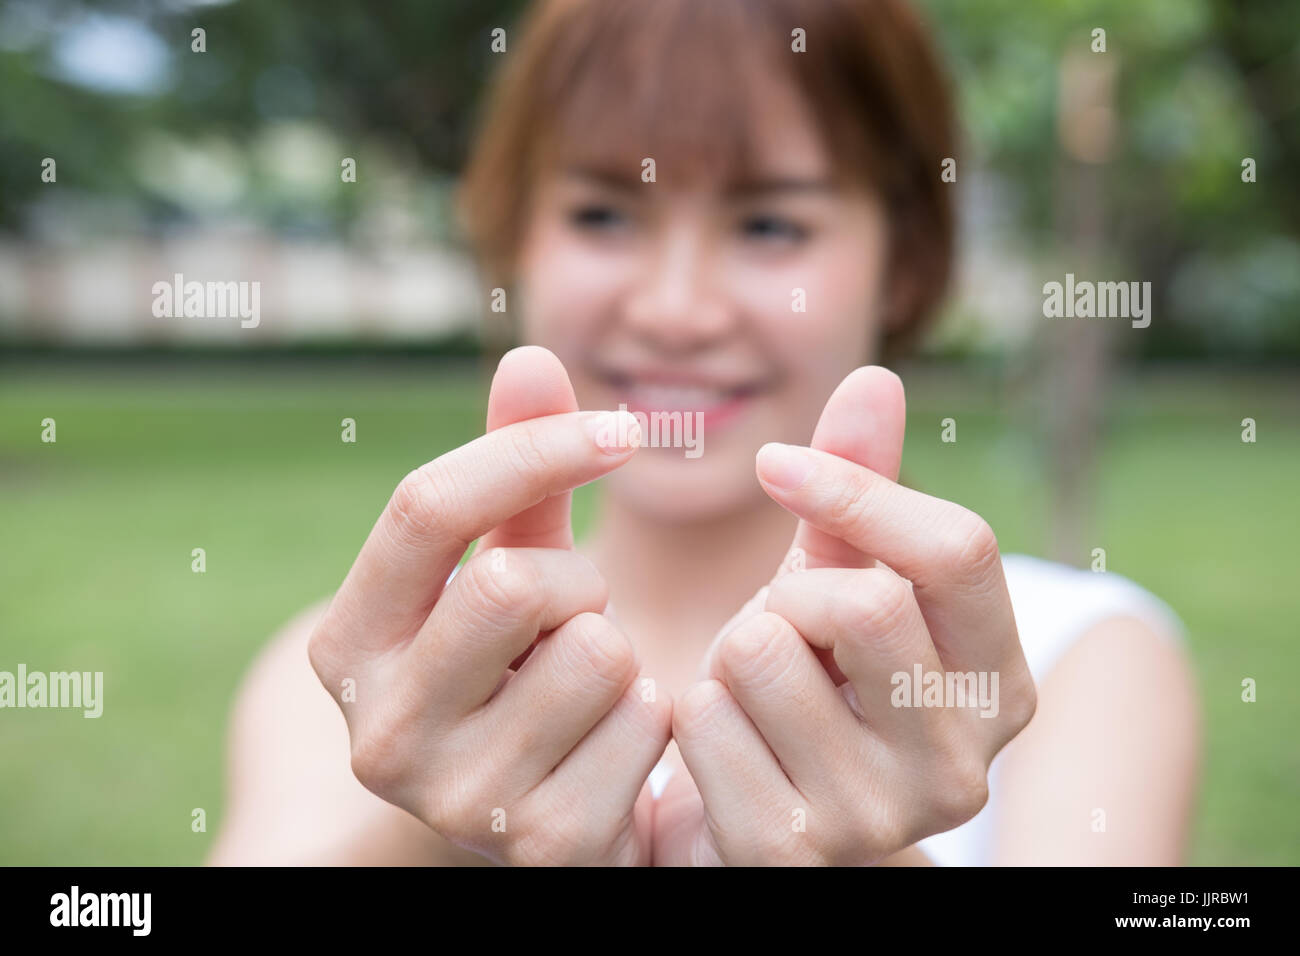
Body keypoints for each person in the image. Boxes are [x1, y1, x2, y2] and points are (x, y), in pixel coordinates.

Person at [208, 0, 1198, 866]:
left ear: (903, 263)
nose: (677, 308)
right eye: (602, 213)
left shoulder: (1072, 660)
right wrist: (440, 833)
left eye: (770, 225)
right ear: (516, 242)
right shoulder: (370, 678)